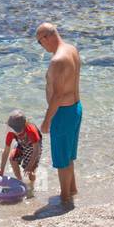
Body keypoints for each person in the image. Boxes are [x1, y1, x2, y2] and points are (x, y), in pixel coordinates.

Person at [36, 22, 82, 206]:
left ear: (47, 38)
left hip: (62, 112)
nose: (42, 46)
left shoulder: (57, 60)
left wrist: (47, 121)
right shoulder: (71, 49)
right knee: (69, 154)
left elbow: (58, 95)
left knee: (62, 159)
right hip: (75, 108)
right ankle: (72, 190)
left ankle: (65, 198)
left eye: (40, 42)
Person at [0, 110, 43, 190]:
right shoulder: (11, 132)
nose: (17, 133)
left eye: (18, 131)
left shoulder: (31, 131)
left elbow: (37, 150)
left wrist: (29, 166)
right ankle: (20, 181)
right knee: (12, 158)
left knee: (30, 172)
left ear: (25, 125)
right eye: (15, 131)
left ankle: (32, 186)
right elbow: (6, 151)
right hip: (21, 144)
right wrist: (1, 169)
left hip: (34, 147)